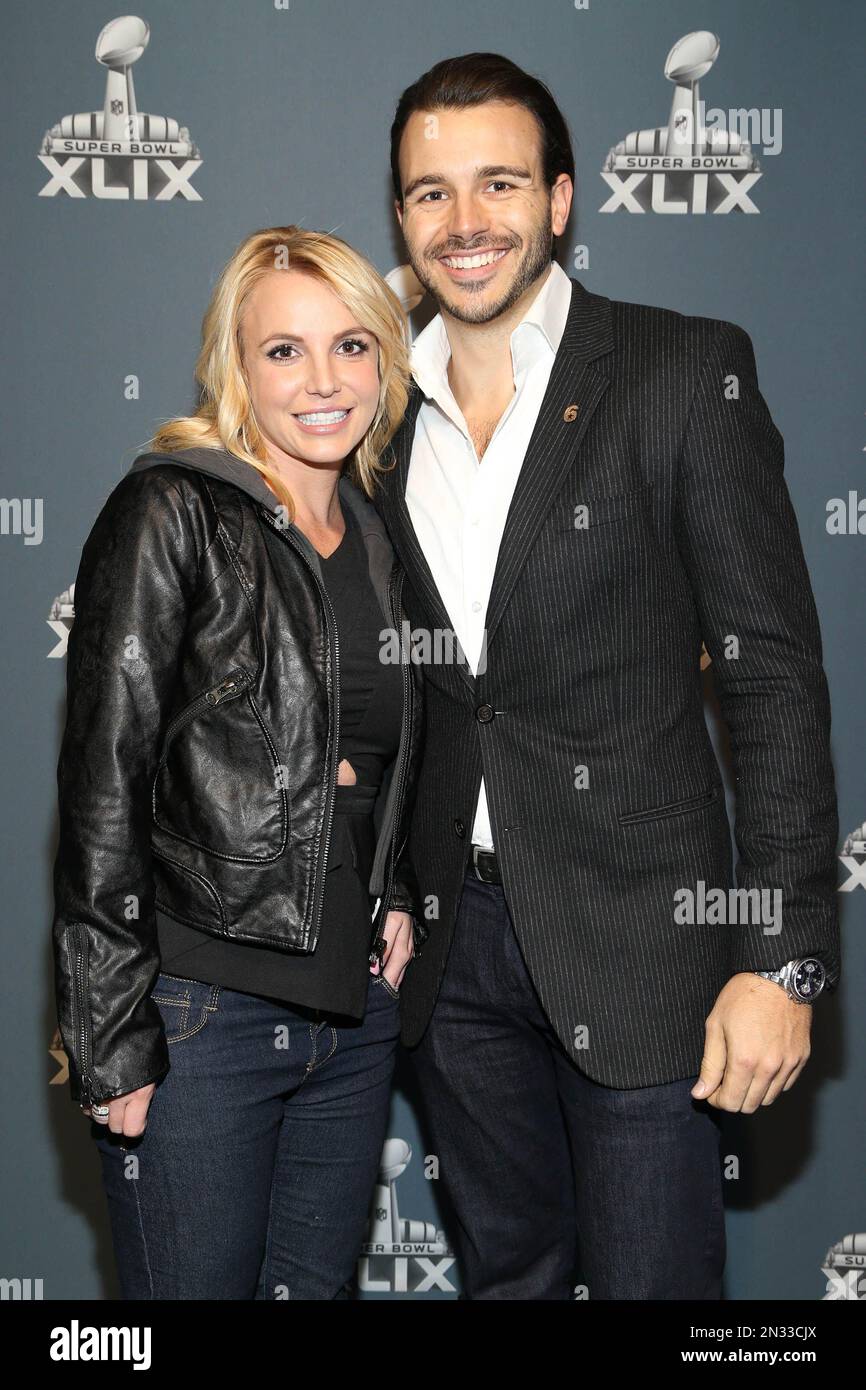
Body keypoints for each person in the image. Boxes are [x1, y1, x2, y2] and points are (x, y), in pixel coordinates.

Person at [373, 52, 841, 1299]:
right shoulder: (365, 416)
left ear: (563, 200)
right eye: (429, 194)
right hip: (449, 958)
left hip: (646, 943)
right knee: (508, 1279)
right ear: (401, 218)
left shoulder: (680, 374)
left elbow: (771, 679)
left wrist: (779, 959)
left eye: (499, 184)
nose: (464, 223)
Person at [51, 225, 425, 1299]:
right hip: (199, 1011)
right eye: (284, 351)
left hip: (349, 1022)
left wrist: (391, 886)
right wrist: (108, 1025)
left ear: (383, 362)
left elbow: (376, 751)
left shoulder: (375, 531)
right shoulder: (171, 509)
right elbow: (101, 784)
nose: (323, 380)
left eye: (351, 346)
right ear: (234, 363)